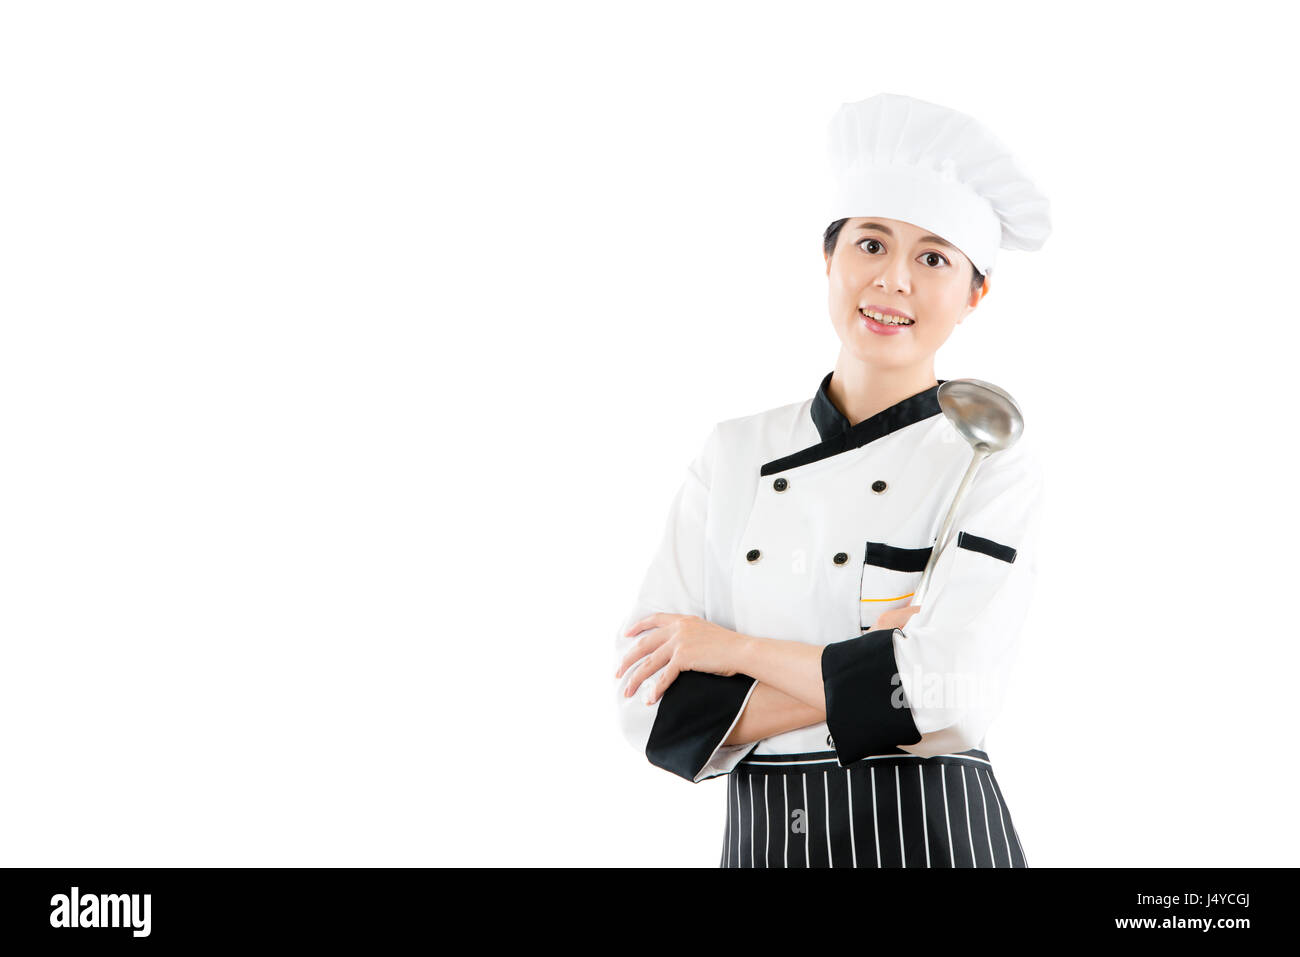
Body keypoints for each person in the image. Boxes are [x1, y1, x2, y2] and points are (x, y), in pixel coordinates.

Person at [612, 93, 1051, 868]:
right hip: (765, 843)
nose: (894, 280)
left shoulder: (987, 460)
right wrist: (872, 666)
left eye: (934, 258)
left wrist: (730, 648)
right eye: (871, 243)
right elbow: (648, 710)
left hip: (933, 840)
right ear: (828, 258)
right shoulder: (732, 454)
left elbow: (948, 699)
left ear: (974, 294)